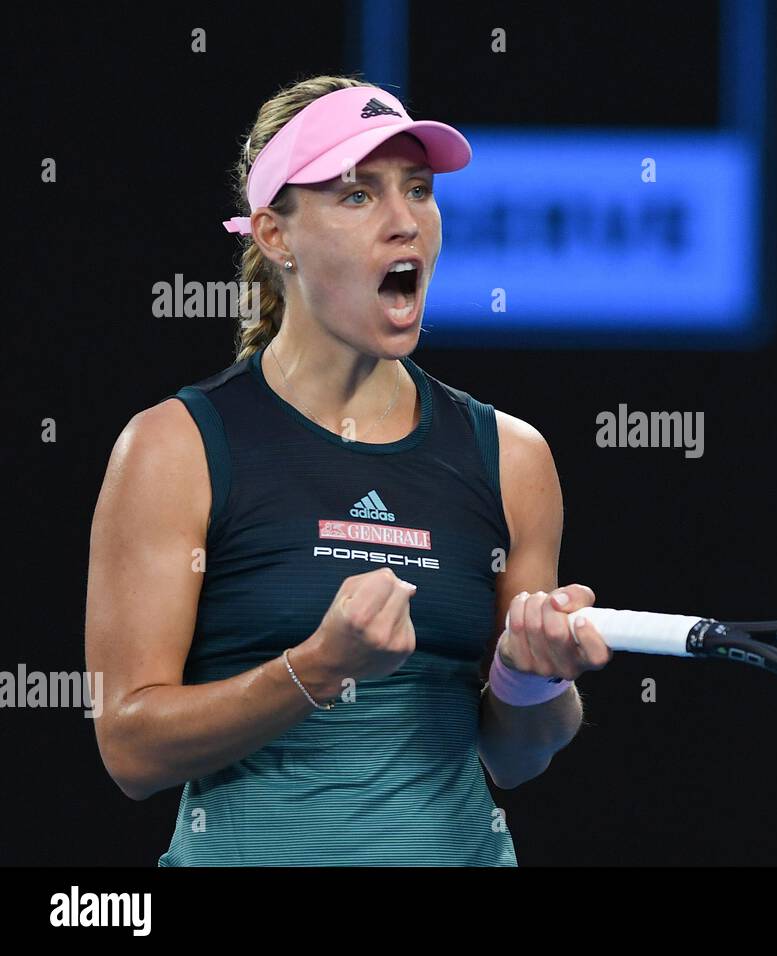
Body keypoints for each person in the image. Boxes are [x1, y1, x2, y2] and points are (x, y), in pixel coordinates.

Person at [84, 75, 609, 865]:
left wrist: (533, 677)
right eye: (358, 196)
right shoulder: (173, 449)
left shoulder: (514, 457)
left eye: (420, 191)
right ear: (275, 236)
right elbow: (129, 750)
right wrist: (318, 667)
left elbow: (516, 755)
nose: (406, 223)